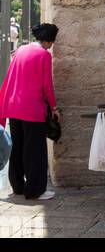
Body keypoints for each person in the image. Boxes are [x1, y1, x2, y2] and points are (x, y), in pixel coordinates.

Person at [0, 22, 60, 201]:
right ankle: (34, 190)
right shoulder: (44, 55)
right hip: (32, 108)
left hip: (13, 107)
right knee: (35, 151)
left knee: (17, 148)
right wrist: (54, 107)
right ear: (49, 41)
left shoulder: (20, 50)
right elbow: (47, 86)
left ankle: (17, 186)